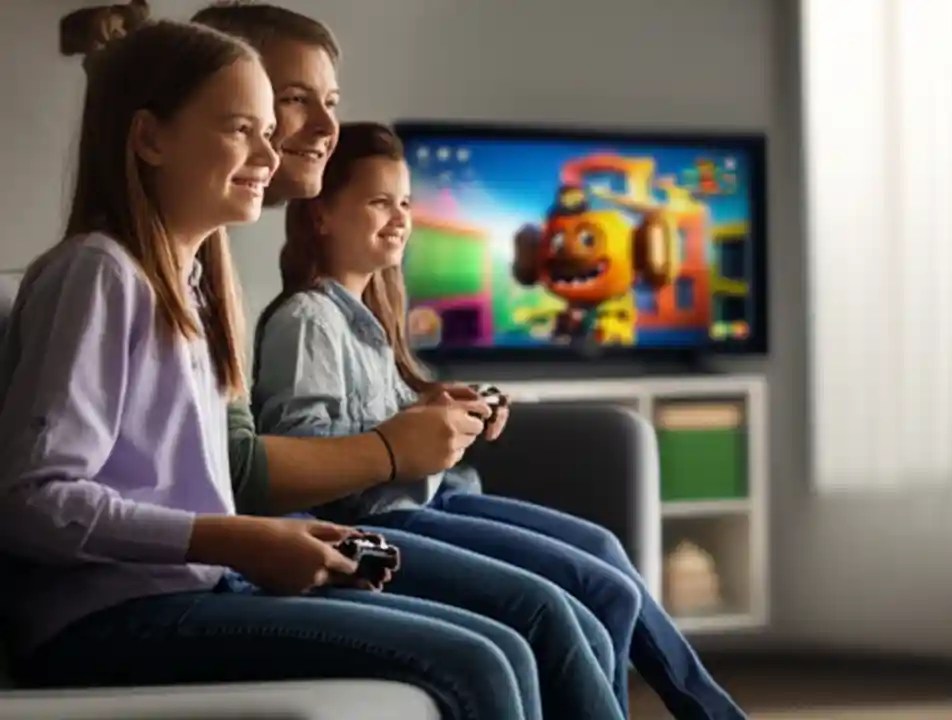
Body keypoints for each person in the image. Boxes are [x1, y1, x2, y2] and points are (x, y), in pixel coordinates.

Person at [0, 21, 536, 720]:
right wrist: (234, 538)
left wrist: (269, 541)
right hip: (106, 619)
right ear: (150, 138)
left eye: (266, 131)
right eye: (239, 130)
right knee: (477, 662)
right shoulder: (100, 273)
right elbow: (33, 501)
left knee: (505, 646)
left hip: (189, 588)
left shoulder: (192, 286)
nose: (267, 153)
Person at [185, 6, 625, 719]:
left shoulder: (214, 275)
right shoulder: (270, 308)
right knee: (541, 618)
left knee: (593, 577)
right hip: (340, 531)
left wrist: (423, 419)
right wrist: (394, 449)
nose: (322, 128)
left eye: (329, 103)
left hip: (333, 527)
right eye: (290, 101)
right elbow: (246, 470)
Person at [252, 121, 748, 720]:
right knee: (582, 600)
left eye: (405, 202)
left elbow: (374, 422)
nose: (401, 217)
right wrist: (402, 443)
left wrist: (436, 406)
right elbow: (299, 454)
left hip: (429, 499)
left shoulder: (367, 314)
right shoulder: (307, 320)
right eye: (379, 202)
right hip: (383, 520)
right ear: (321, 216)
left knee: (605, 561)